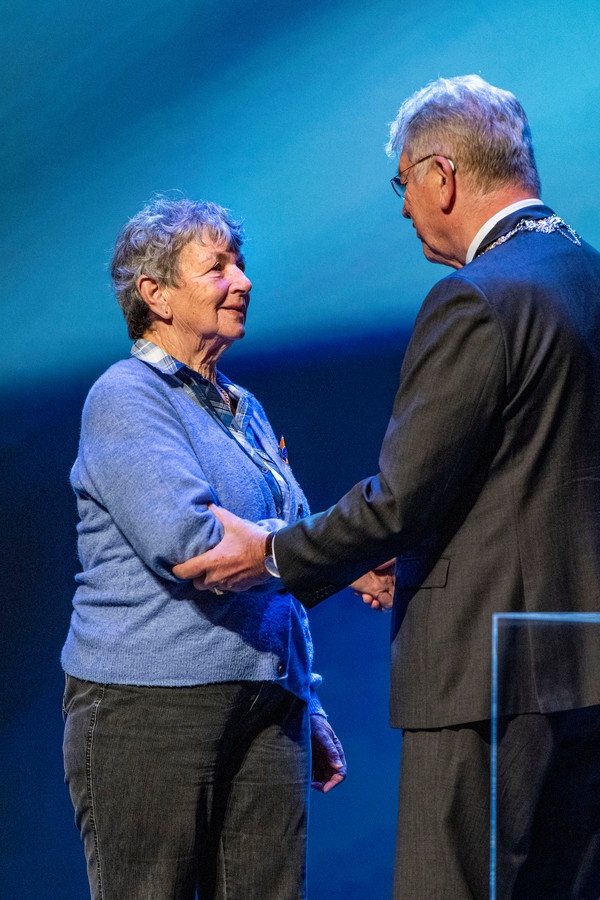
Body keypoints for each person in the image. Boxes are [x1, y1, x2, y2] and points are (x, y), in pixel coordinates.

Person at [173, 76, 600, 899]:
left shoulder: (476, 298)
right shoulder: (586, 277)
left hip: (490, 678)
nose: (405, 209)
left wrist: (269, 553)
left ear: (440, 176)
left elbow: (404, 499)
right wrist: (396, 561)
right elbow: (529, 480)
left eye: (403, 184)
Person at [61, 196, 345, 900]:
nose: (242, 280)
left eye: (240, 263)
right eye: (216, 267)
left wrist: (305, 699)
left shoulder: (245, 408)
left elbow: (291, 543)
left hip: (265, 705)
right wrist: (339, 551)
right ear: (154, 294)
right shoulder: (127, 395)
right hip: (149, 711)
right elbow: (192, 545)